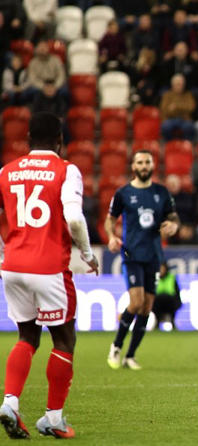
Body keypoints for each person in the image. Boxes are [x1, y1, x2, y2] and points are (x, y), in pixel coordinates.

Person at [0, 112, 99, 439]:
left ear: (28, 139)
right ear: (60, 140)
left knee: (27, 337)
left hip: (12, 267)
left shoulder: (6, 172)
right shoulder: (66, 170)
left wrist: (3, 253)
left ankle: (10, 402)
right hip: (49, 267)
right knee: (64, 339)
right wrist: (86, 254)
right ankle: (53, 418)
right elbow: (73, 218)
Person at [106, 151, 180, 371]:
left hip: (154, 256)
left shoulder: (161, 192)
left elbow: (173, 216)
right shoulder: (123, 193)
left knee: (147, 308)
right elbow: (110, 219)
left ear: (153, 165)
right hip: (132, 255)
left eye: (147, 162)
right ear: (133, 166)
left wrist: (174, 225)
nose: (144, 165)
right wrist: (111, 236)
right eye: (140, 162)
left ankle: (130, 356)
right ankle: (116, 346)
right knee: (136, 303)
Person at [152, 262, 181, 331]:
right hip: (158, 302)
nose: (161, 270)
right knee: (156, 301)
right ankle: (157, 322)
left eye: (163, 268)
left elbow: (176, 292)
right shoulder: (155, 278)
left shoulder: (171, 278)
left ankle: (172, 322)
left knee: (170, 300)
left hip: (170, 302)